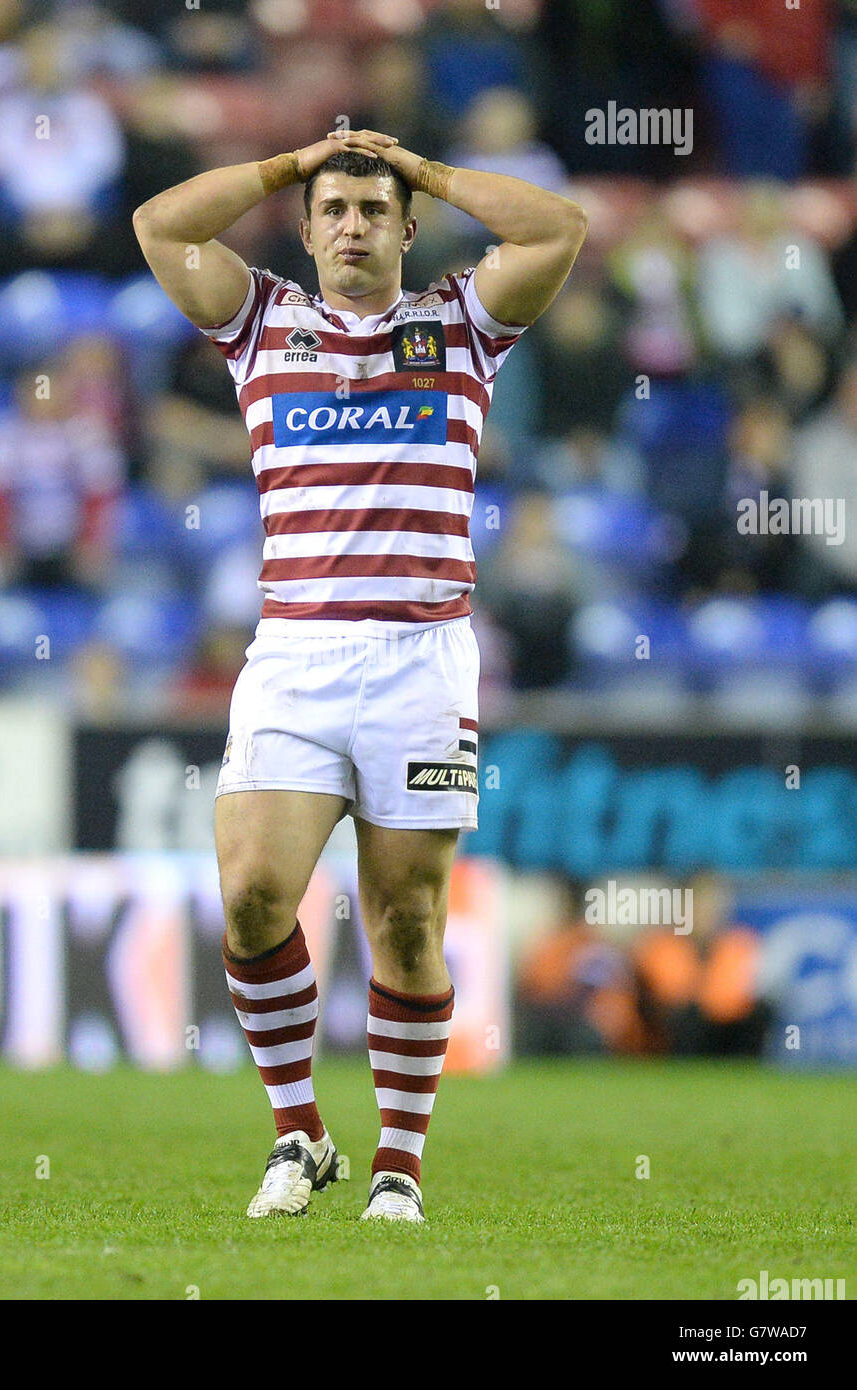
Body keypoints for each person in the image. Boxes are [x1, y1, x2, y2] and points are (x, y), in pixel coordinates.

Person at [134, 128, 587, 1221]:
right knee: (249, 894)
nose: (351, 226)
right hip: (295, 652)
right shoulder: (260, 324)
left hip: (420, 662)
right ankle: (300, 1136)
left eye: (373, 211)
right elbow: (159, 224)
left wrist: (424, 169)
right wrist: (286, 163)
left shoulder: (461, 325)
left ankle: (398, 1165)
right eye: (332, 209)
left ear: (406, 230)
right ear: (304, 228)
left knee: (409, 919)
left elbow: (560, 228)